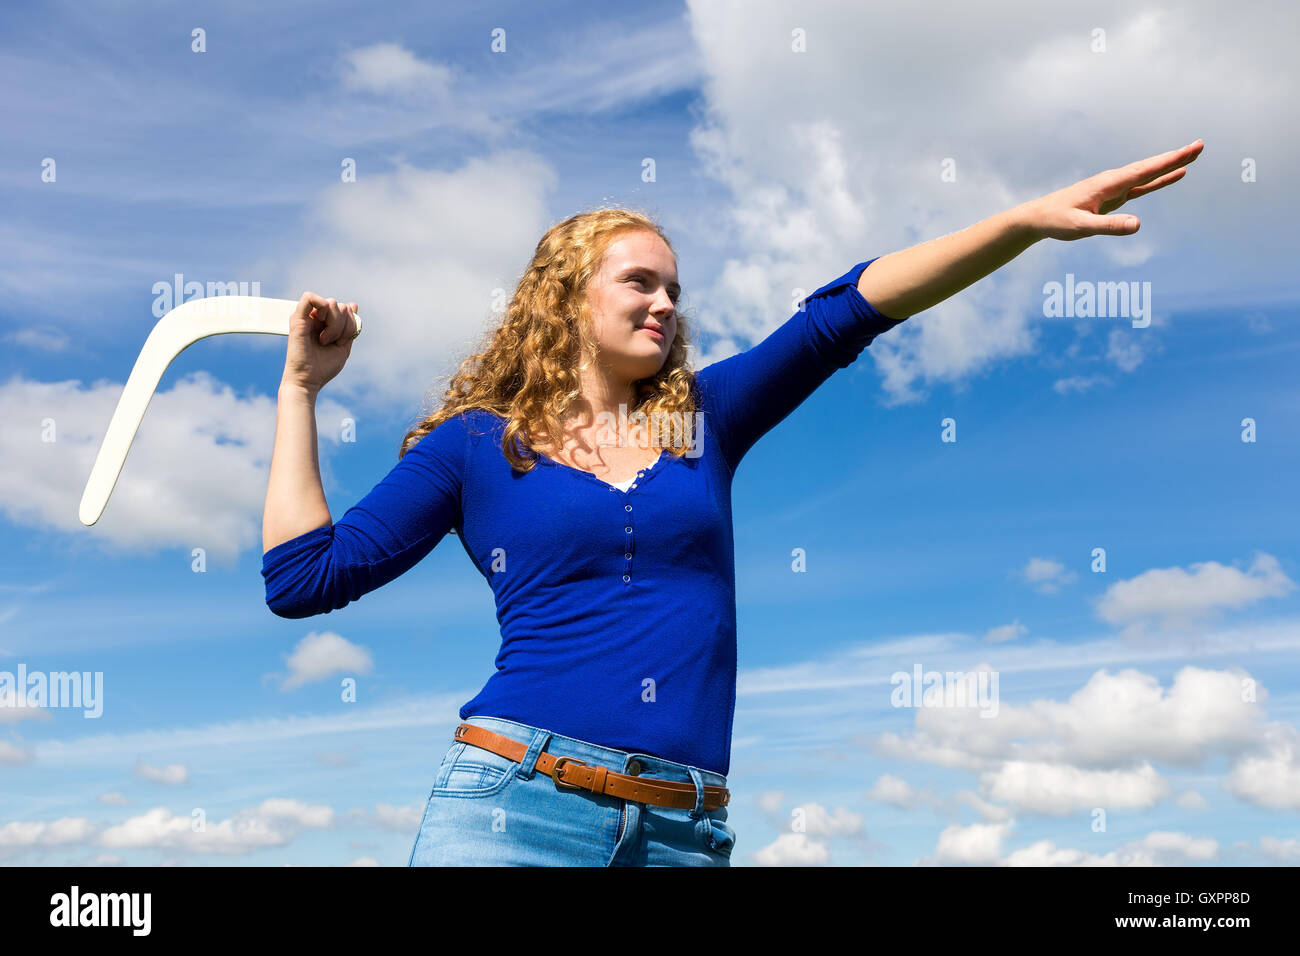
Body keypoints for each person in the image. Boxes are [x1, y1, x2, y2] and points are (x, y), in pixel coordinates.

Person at [260, 140, 1203, 867]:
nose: (666, 303)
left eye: (674, 287)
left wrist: (1023, 224)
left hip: (684, 829)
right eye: (639, 281)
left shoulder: (704, 420)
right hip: (513, 807)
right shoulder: (477, 442)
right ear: (563, 299)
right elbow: (305, 578)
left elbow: (843, 314)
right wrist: (301, 392)